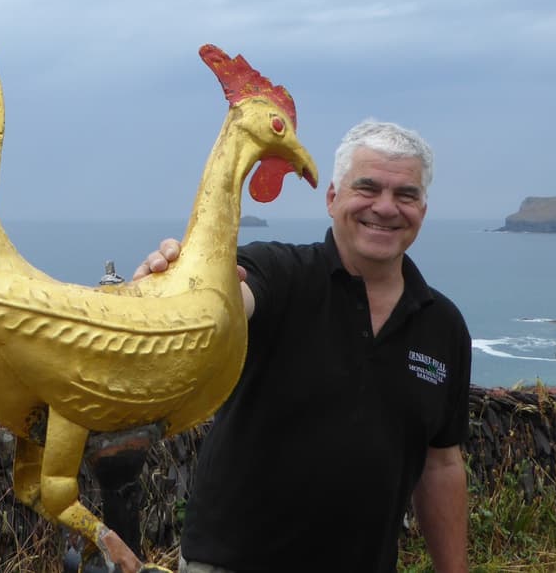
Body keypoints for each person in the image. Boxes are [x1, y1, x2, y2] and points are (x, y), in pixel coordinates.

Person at [135, 119, 471, 572]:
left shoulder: (442, 325)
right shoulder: (281, 272)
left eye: (406, 195)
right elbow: (230, 295)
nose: (386, 207)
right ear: (332, 198)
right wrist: (184, 289)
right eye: (367, 188)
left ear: (422, 210)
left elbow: (441, 465)